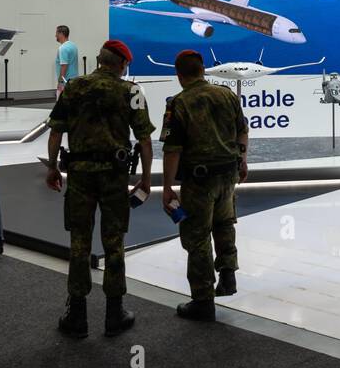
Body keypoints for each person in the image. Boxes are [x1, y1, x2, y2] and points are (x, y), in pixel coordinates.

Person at [44, 40, 154, 338]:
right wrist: (146, 177)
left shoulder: (74, 87)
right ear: (122, 65)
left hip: (79, 176)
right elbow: (144, 139)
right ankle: (114, 313)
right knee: (114, 242)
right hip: (114, 178)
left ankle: (76, 315)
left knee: (79, 242)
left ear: (98, 60)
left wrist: (53, 167)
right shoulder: (131, 91)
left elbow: (56, 131)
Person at [161, 49, 248, 321]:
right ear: (203, 70)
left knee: (197, 236)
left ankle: (203, 299)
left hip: (199, 181)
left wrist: (166, 187)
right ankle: (228, 276)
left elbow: (172, 150)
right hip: (228, 175)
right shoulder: (227, 95)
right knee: (224, 224)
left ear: (179, 74)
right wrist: (243, 161)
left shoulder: (179, 103)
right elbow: (242, 130)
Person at [55, 25, 78, 93]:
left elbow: (64, 66)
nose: (55, 35)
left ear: (61, 34)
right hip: (74, 80)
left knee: (61, 102)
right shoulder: (73, 45)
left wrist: (60, 82)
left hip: (66, 83)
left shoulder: (63, 48)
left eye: (56, 33)